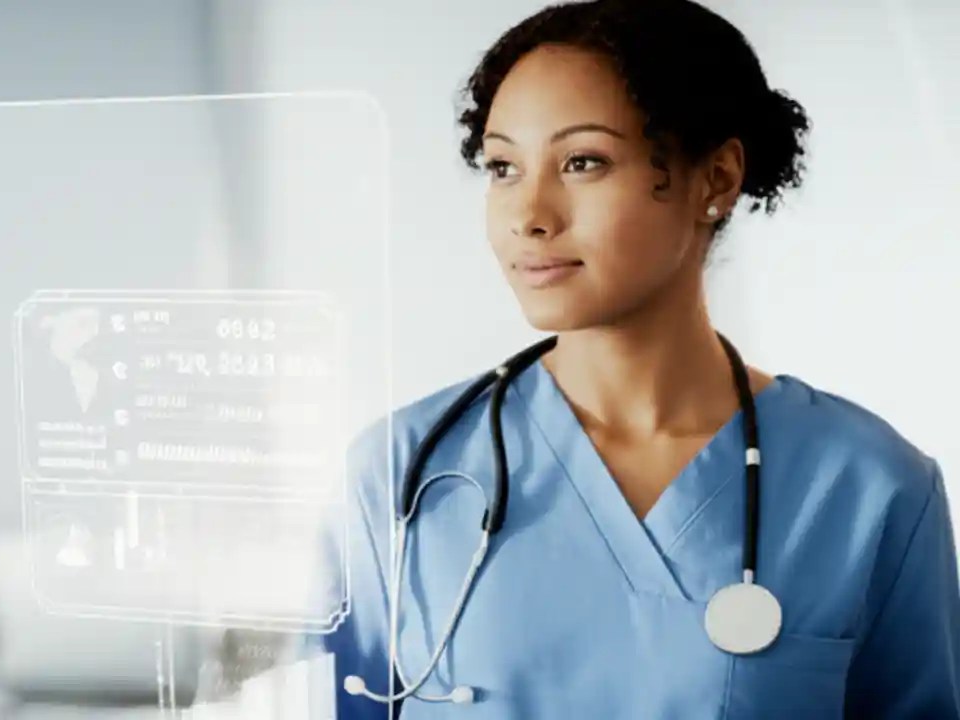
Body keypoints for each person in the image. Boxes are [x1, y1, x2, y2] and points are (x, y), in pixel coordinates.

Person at [323, 0, 960, 717]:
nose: (529, 214)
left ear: (716, 179)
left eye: (583, 162)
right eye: (503, 166)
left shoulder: (867, 488)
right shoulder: (402, 473)